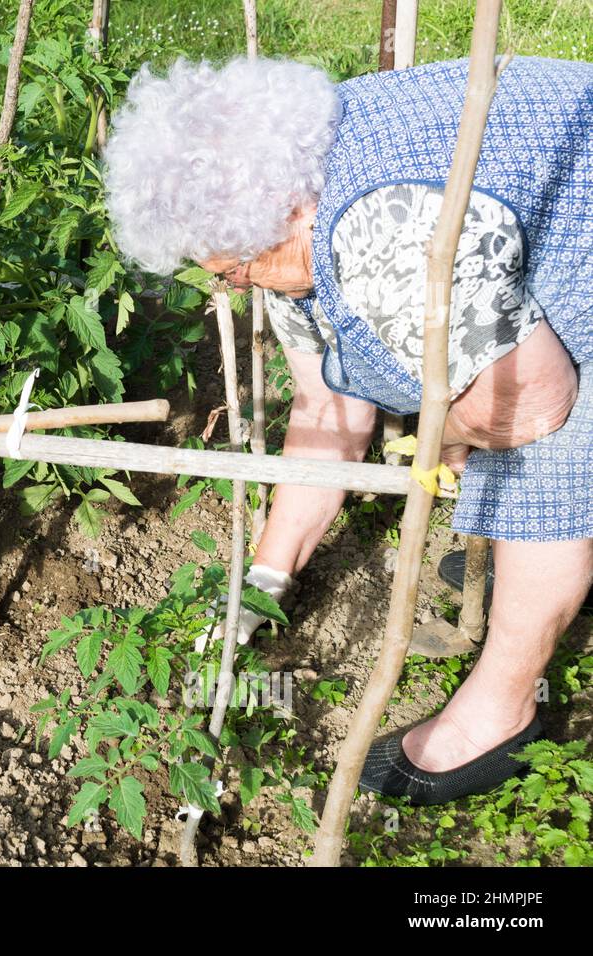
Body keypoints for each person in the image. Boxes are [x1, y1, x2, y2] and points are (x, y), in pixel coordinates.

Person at [102, 54, 593, 805]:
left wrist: (452, 430)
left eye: (232, 271)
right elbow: (324, 412)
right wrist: (262, 582)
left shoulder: (385, 232)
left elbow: (534, 405)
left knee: (537, 466)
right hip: (526, 233)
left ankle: (504, 708)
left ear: (290, 214)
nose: (228, 286)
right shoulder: (286, 195)